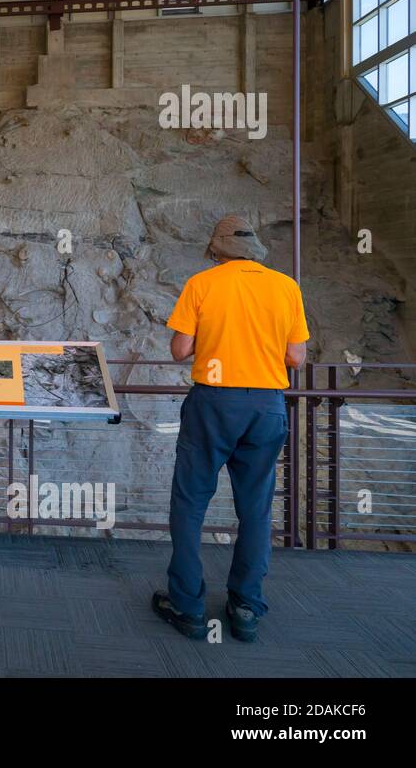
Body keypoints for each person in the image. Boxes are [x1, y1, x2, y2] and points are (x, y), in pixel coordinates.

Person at [153, 215, 309, 643]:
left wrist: (216, 338)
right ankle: (245, 606)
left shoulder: (203, 284)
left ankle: (187, 606)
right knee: (256, 507)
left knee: (189, 502)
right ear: (255, 250)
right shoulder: (286, 287)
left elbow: (181, 349)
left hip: (214, 404)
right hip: (267, 405)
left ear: (217, 249)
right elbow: (296, 358)